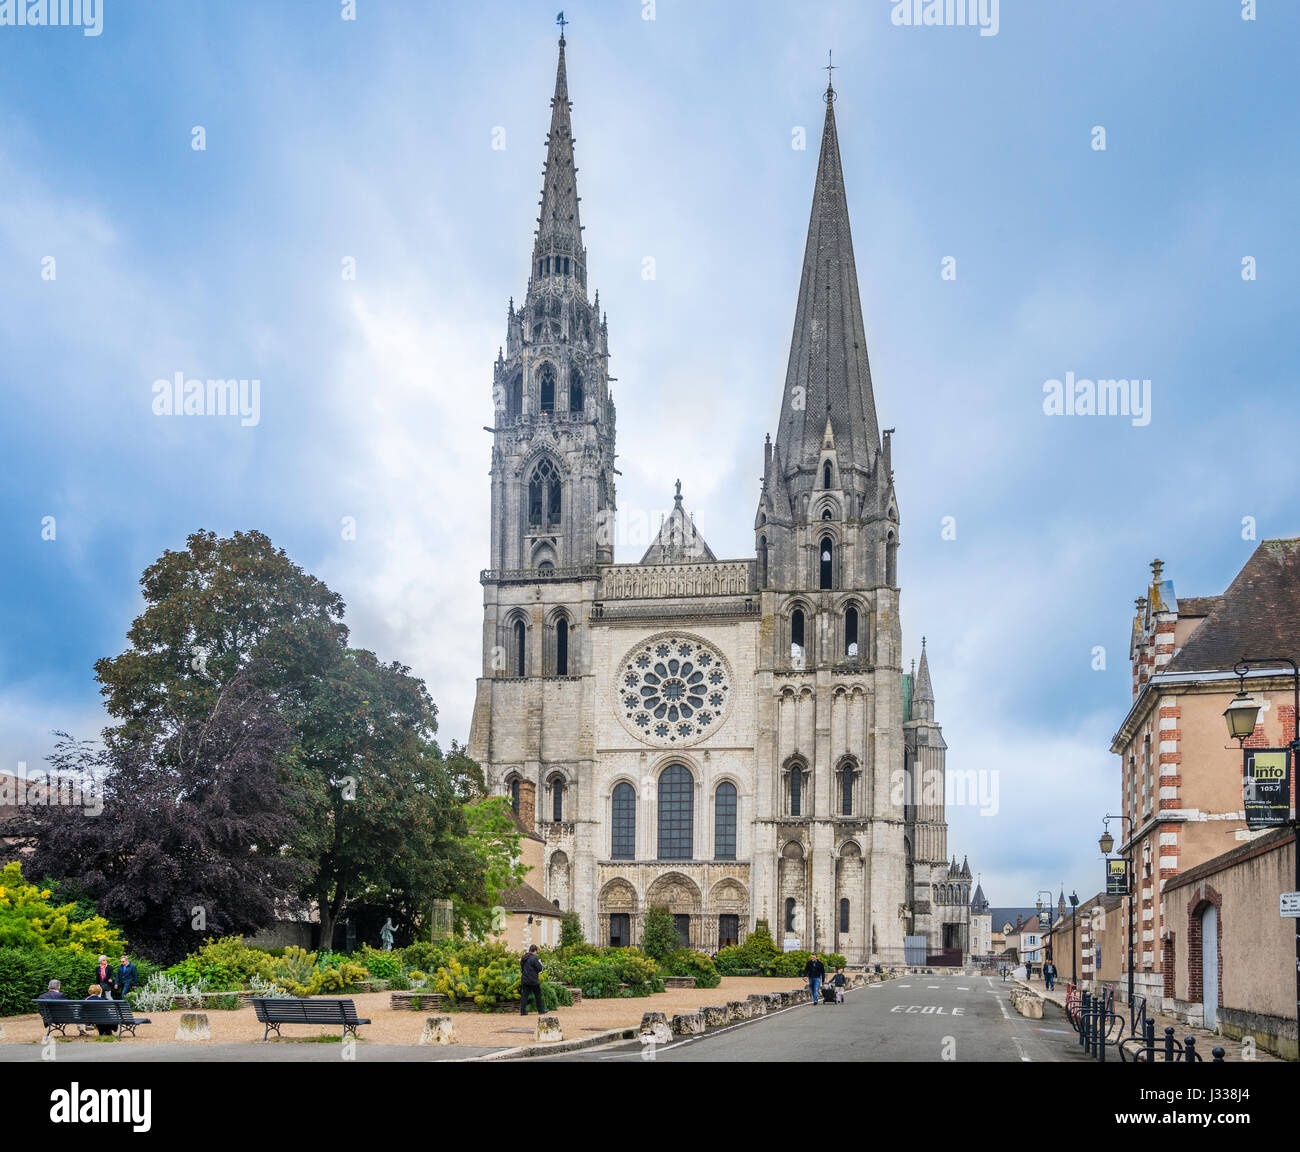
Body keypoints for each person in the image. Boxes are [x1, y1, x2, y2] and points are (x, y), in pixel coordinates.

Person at [520, 944, 545, 1015]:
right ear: (535, 951)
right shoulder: (534, 958)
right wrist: (540, 963)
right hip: (533, 980)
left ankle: (523, 1011)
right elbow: (539, 969)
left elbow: (522, 968)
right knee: (538, 995)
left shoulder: (524, 957)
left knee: (524, 995)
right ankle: (540, 1010)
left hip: (525, 979)